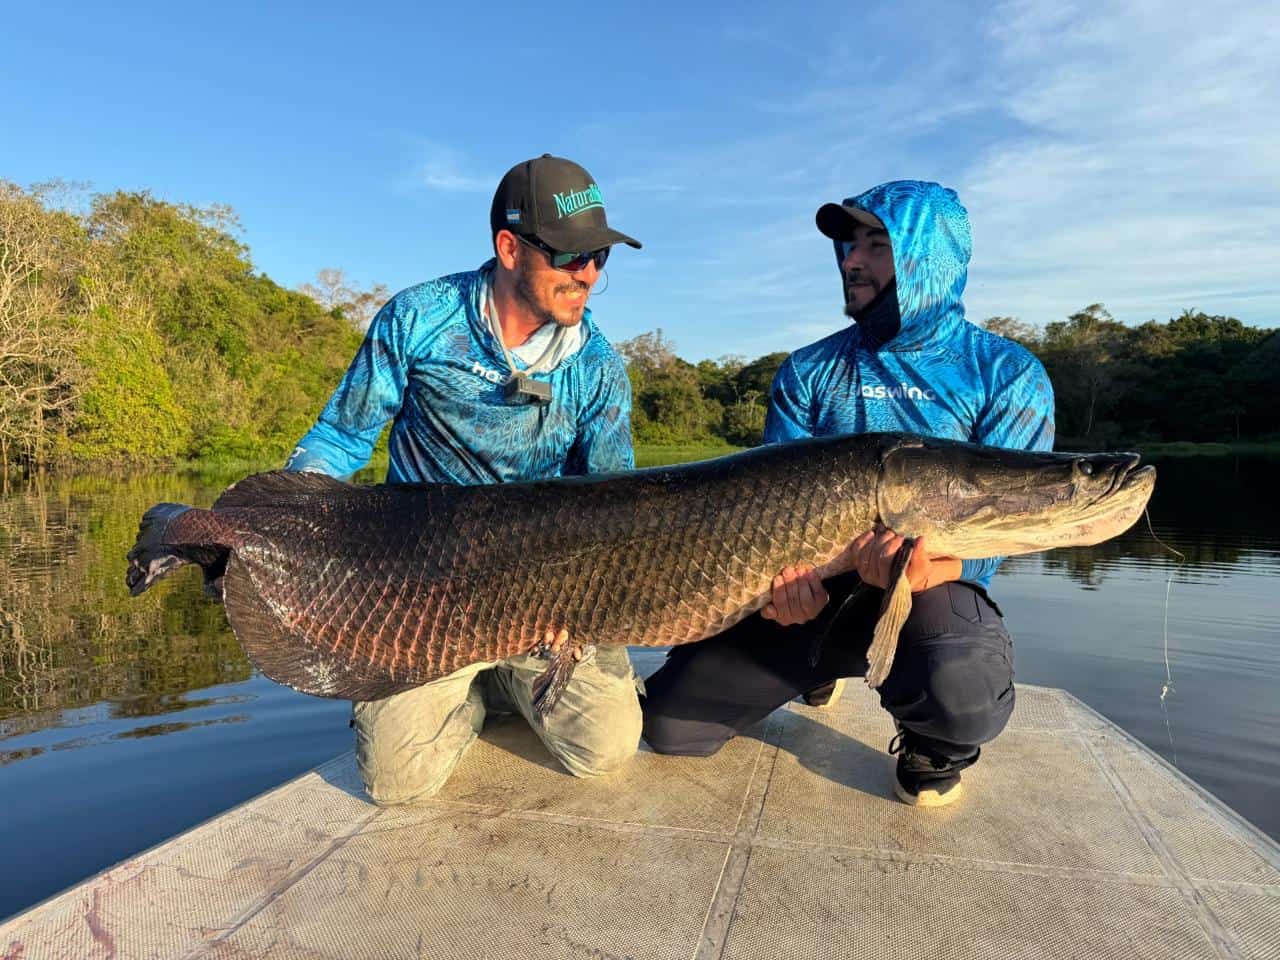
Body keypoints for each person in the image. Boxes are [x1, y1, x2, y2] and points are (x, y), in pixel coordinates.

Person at [641, 180, 1055, 807]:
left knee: (962, 693)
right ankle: (813, 670)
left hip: (928, 595)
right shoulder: (808, 370)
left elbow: (997, 535)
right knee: (671, 727)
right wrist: (778, 591)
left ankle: (933, 744)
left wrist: (935, 567)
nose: (850, 260)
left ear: (927, 256)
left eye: (876, 243)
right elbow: (765, 516)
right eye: (847, 244)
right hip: (817, 596)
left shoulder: (1005, 374)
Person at [286, 154, 644, 805]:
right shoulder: (418, 321)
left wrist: (586, 604)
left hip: (545, 595)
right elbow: (341, 439)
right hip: (427, 589)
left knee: (605, 750)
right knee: (397, 784)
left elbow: (614, 502)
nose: (587, 274)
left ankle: (506, 679)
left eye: (599, 257)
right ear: (510, 248)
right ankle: (469, 685)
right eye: (570, 255)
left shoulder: (598, 368)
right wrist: (284, 518)